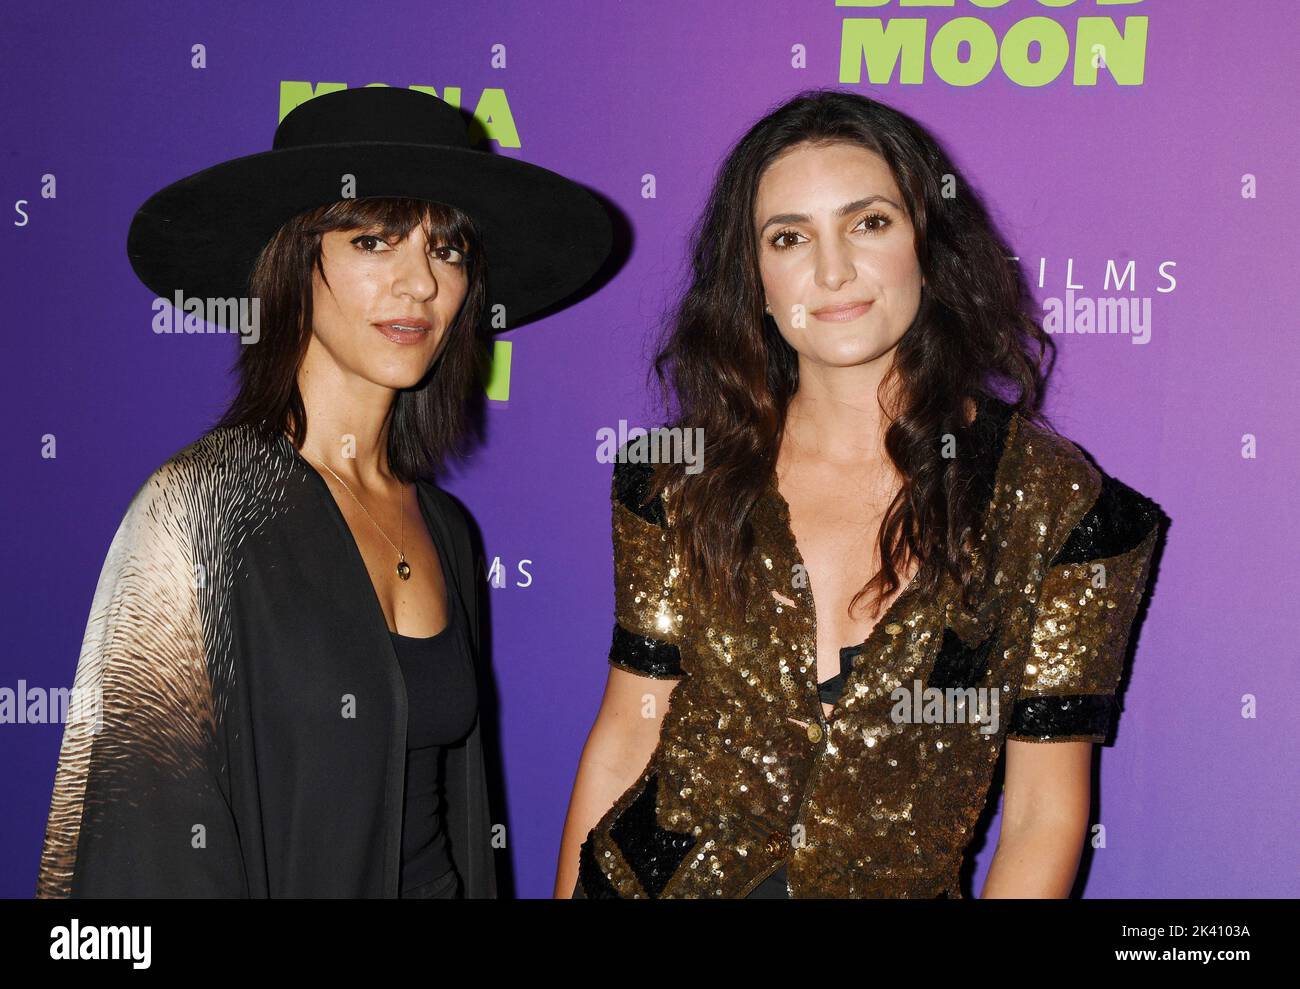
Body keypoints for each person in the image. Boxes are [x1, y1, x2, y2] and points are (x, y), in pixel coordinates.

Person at [556, 88, 1164, 899]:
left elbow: (1042, 816)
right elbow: (626, 737)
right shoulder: (679, 476)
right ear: (755, 278)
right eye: (789, 237)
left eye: (868, 222)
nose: (832, 269)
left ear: (928, 244)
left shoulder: (1062, 508)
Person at [36, 86, 612, 898]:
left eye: (446, 251)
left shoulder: (444, 526)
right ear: (290, 262)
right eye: (375, 241)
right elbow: (138, 842)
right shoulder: (200, 511)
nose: (419, 283)